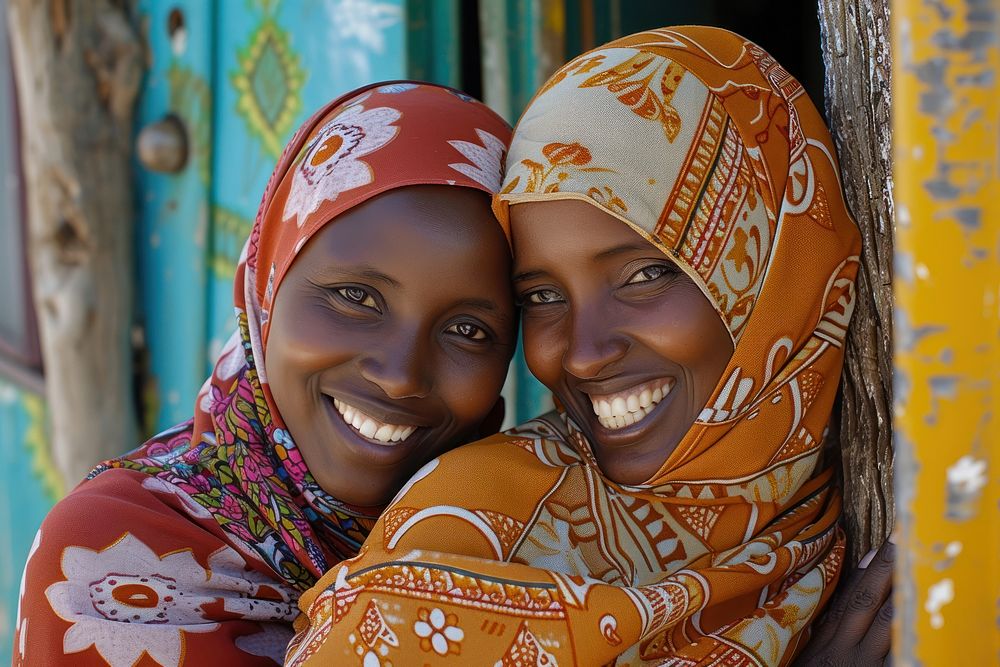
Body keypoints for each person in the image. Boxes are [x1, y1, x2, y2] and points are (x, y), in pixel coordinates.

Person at [284, 27, 887, 666]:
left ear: (775, 267)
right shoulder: (468, 540)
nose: (583, 354)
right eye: (543, 295)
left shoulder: (819, 520)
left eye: (646, 274)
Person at [13, 82, 516, 666]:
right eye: (357, 296)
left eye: (469, 331)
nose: (401, 375)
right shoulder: (112, 561)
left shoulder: (539, 531)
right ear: (266, 290)